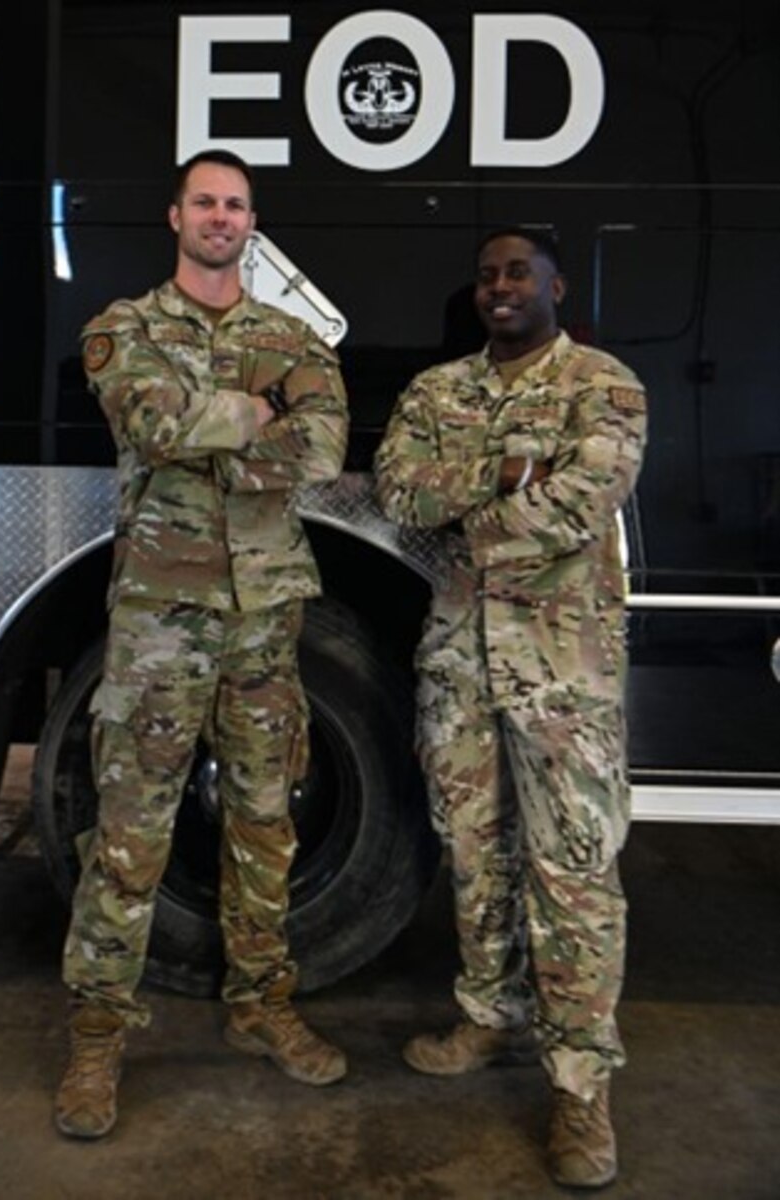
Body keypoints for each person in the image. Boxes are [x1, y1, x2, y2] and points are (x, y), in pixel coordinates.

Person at [54, 150, 350, 1140]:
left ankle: (261, 1006)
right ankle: (97, 1036)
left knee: (264, 818)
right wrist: (255, 411)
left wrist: (217, 425)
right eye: (205, 202)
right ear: (174, 214)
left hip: (266, 616)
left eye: (235, 206)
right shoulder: (122, 329)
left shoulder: (289, 333)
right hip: (160, 621)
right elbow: (151, 419)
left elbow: (324, 445)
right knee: (132, 829)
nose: (220, 218)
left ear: (249, 224)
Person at [374, 227, 647, 1189]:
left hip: (562, 679)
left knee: (571, 871)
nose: (500, 288)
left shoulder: (604, 385)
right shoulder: (437, 393)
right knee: (473, 850)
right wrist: (500, 476)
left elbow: (586, 498)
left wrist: (473, 521)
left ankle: (579, 1089)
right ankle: (487, 1018)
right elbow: (398, 494)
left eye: (518, 273)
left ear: (553, 286)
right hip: (458, 666)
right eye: (487, 275)